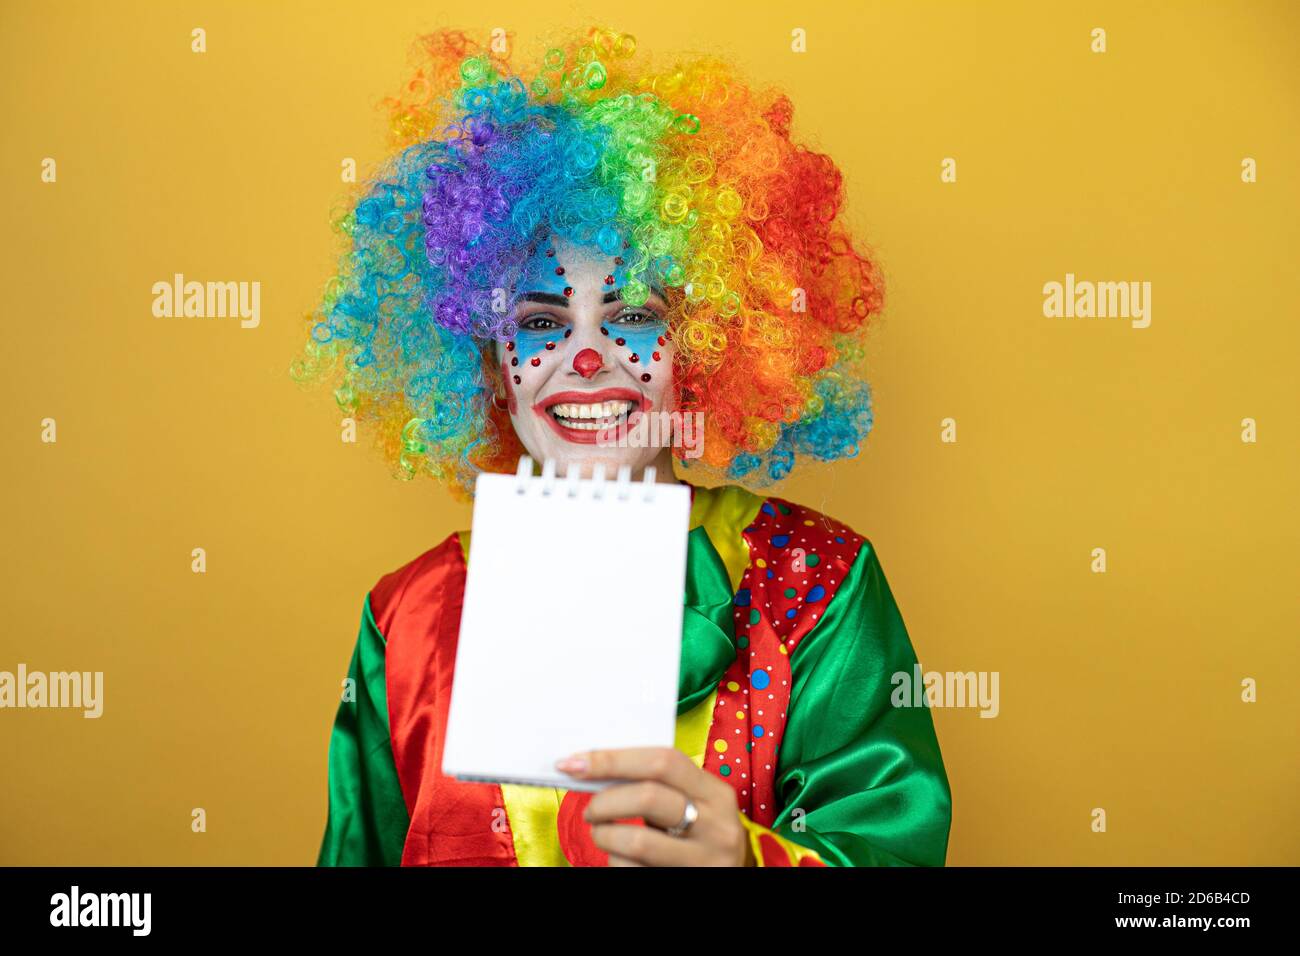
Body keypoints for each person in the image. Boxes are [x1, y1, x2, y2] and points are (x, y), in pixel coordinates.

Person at [295, 25, 952, 867]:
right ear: (494, 370)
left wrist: (746, 863)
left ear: (705, 343)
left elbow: (894, 845)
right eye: (539, 323)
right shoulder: (408, 616)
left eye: (633, 315)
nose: (589, 355)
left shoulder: (817, 582)